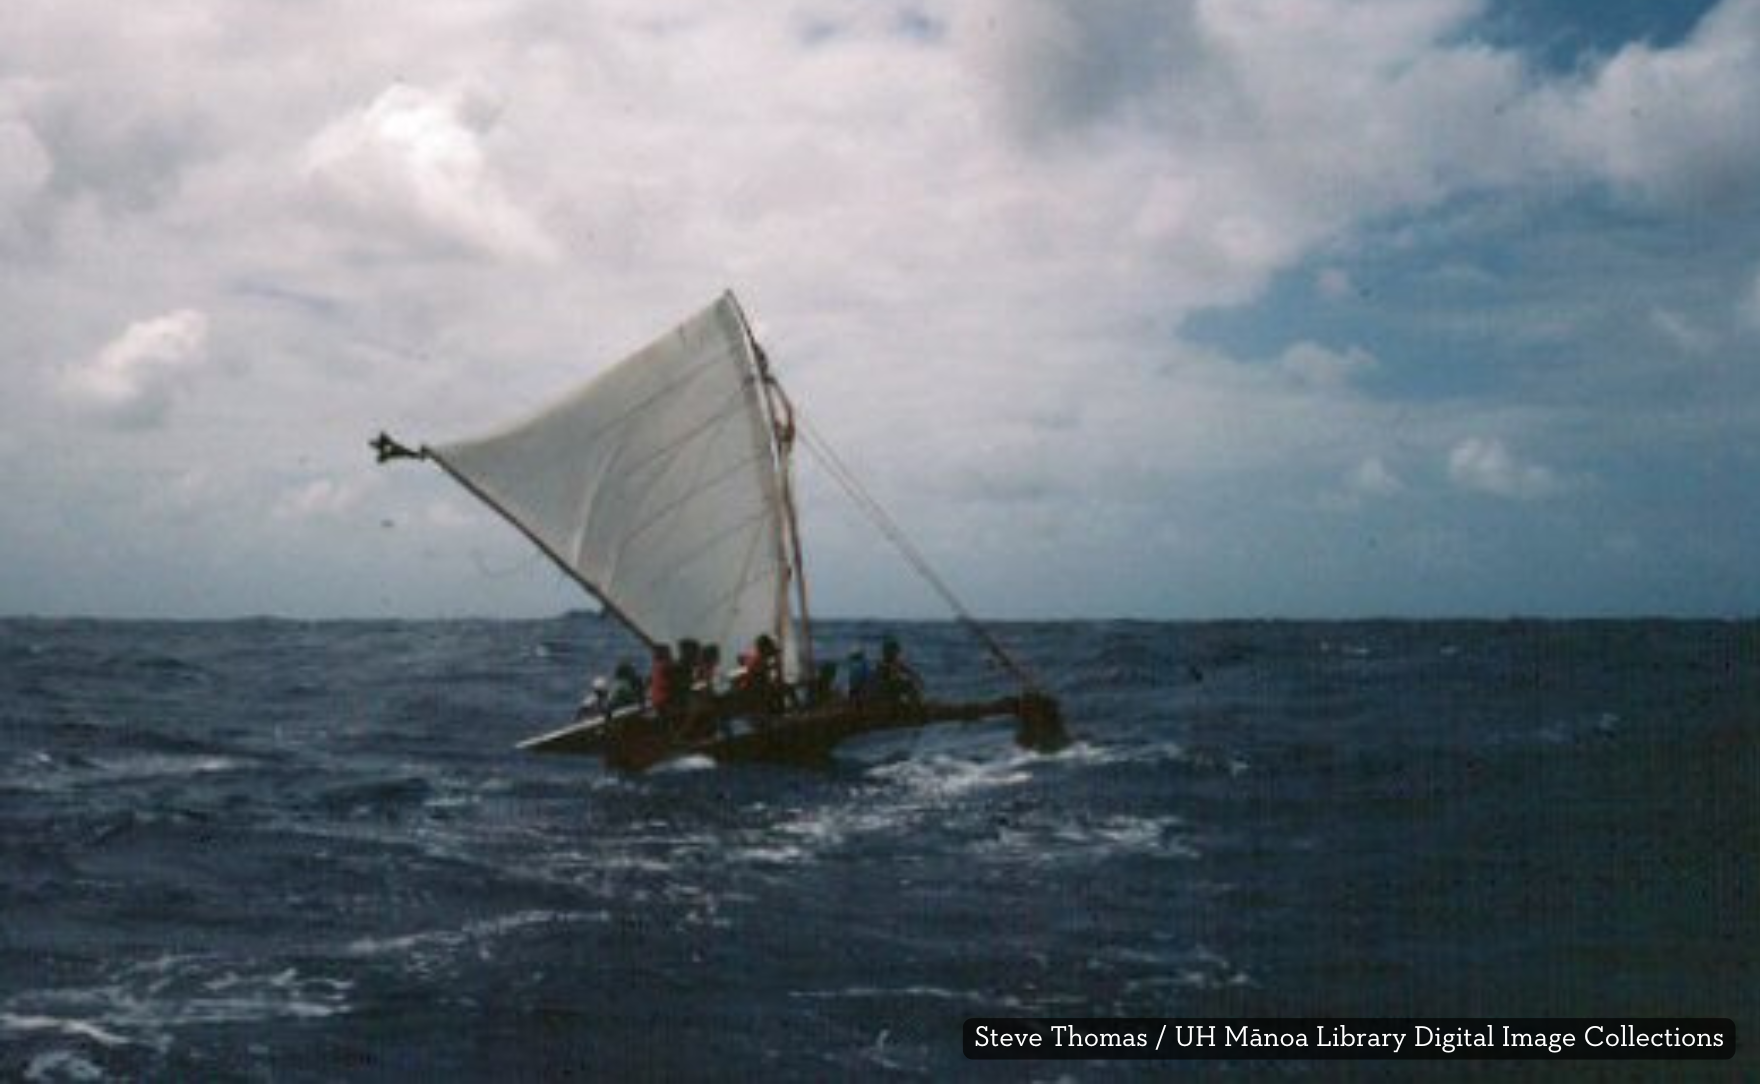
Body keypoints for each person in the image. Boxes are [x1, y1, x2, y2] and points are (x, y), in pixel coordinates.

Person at [874, 635, 924, 707]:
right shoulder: (884, 663)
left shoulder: (886, 662)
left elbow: (908, 671)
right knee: (909, 685)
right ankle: (916, 703)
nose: (897, 653)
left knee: (908, 683)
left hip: (889, 688)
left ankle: (912, 702)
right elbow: (884, 678)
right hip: (888, 688)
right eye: (895, 651)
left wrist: (917, 677)